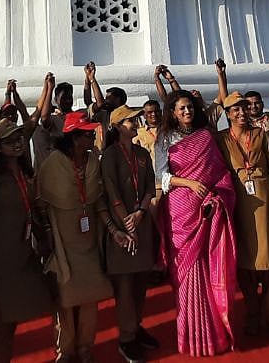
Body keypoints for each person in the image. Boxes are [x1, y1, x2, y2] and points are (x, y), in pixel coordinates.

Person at [153, 90, 238, 356]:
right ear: (172, 112)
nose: (187, 112)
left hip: (204, 208)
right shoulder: (164, 138)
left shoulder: (205, 136)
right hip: (180, 208)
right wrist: (189, 183)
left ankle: (212, 334)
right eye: (181, 108)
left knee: (205, 266)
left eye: (190, 107)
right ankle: (189, 335)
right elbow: (161, 176)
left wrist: (215, 197)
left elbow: (220, 172)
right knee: (185, 270)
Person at [39, 110, 118, 363]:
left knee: (90, 296)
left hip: (89, 239)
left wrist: (113, 230)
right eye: (87, 135)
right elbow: (41, 203)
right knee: (65, 298)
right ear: (74, 138)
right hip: (62, 240)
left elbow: (98, 201)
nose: (92, 138)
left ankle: (85, 347)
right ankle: (65, 349)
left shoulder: (93, 161)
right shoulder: (53, 163)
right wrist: (47, 236)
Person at [0, 117, 54, 362]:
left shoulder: (23, 172)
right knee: (1, 314)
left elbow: (30, 208)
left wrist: (43, 236)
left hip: (23, 251)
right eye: (10, 140)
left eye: (19, 138)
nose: (17, 143)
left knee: (16, 310)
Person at [214, 92, 269, 340]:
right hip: (237, 200)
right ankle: (253, 313)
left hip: (264, 199)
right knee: (245, 262)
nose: (241, 113)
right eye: (235, 110)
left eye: (243, 108)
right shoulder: (221, 139)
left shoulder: (261, 135)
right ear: (227, 114)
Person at [100, 105, 159, 363]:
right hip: (122, 229)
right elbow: (111, 193)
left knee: (140, 282)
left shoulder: (141, 152)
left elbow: (149, 187)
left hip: (141, 223)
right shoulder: (110, 156)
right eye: (130, 120)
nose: (136, 123)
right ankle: (126, 338)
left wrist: (141, 212)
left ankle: (136, 325)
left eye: (136, 119)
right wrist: (127, 223)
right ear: (117, 126)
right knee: (124, 287)